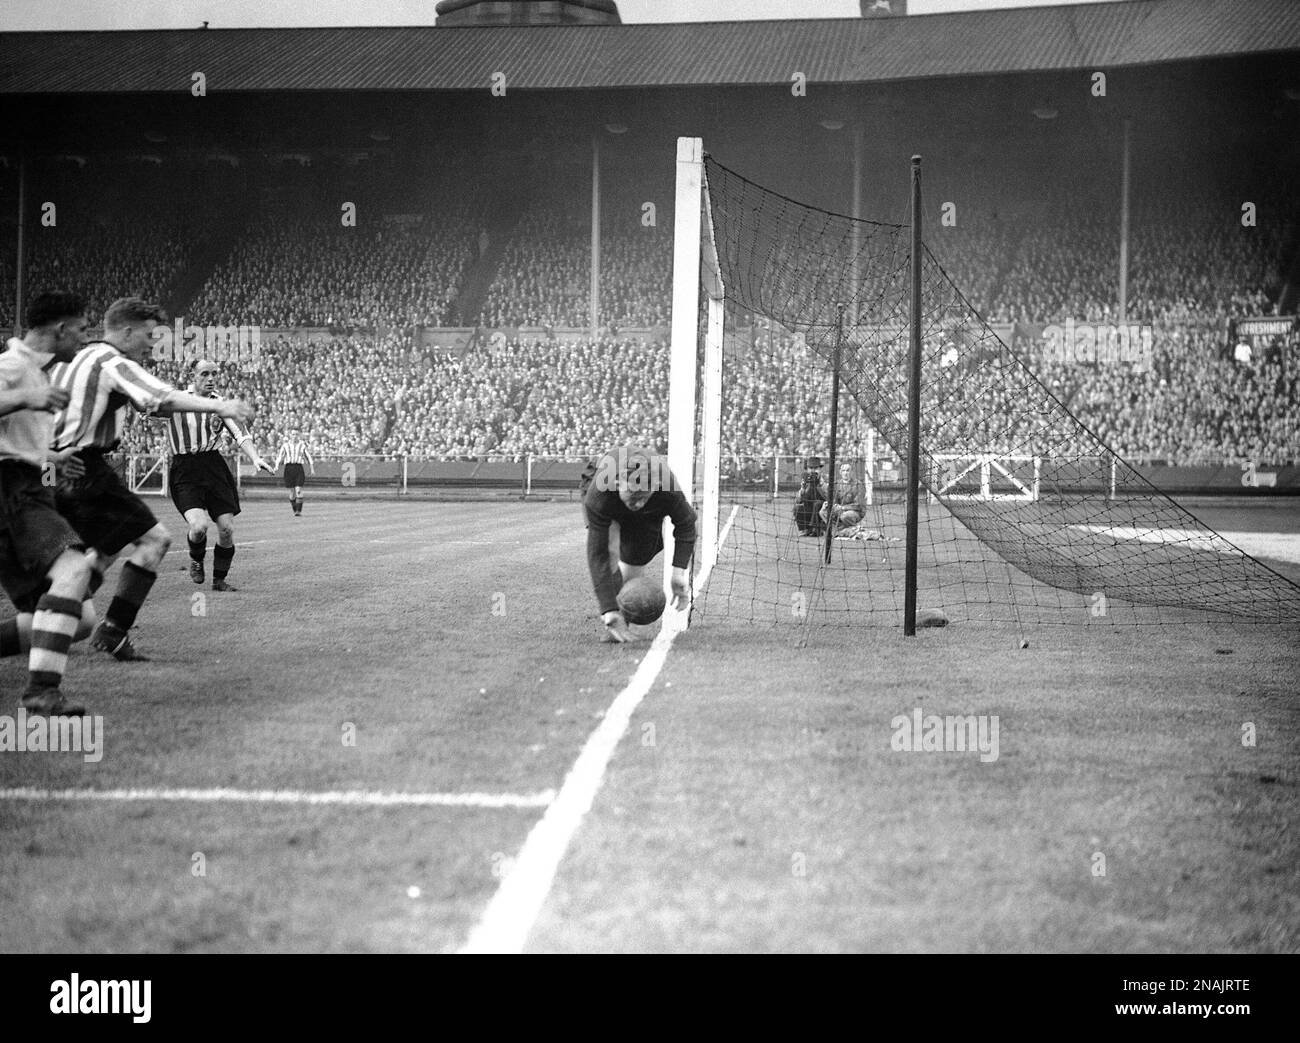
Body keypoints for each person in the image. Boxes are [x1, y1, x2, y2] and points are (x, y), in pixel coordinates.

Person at [50, 297, 255, 660]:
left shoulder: (75, 358)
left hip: (53, 467)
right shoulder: (112, 360)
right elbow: (160, 399)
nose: (151, 343)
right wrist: (220, 406)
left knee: (101, 554)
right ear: (126, 331)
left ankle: (56, 618)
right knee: (155, 541)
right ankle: (111, 630)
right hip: (83, 466)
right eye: (148, 335)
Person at [0, 291, 94, 714]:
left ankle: (41, 688)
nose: (84, 337)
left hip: (28, 485)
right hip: (10, 489)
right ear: (60, 328)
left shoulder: (39, 373)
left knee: (81, 621)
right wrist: (24, 398)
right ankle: (41, 691)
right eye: (81, 329)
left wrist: (53, 458)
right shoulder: (12, 366)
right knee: (74, 568)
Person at [163, 359, 275, 590]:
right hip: (185, 468)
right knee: (199, 526)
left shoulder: (220, 404)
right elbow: (141, 404)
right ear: (192, 376)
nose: (211, 378)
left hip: (213, 466)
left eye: (214, 374)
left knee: (226, 528)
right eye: (205, 374)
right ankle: (196, 560)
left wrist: (255, 457)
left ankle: (219, 580)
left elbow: (240, 434)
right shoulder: (176, 401)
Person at [583, 444, 695, 643]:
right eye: (632, 497)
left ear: (655, 487)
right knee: (609, 551)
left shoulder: (667, 488)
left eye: (642, 497)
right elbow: (597, 554)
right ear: (618, 484)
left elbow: (686, 525)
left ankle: (623, 617)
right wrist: (608, 609)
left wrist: (678, 574)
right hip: (605, 489)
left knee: (635, 560)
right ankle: (614, 618)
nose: (636, 504)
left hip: (649, 511)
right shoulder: (598, 495)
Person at [273, 429, 315, 516]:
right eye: (293, 434)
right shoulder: (285, 446)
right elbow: (280, 457)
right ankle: (295, 509)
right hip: (289, 468)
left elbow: (309, 457)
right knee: (292, 491)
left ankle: (298, 511)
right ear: (290, 435)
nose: (294, 436)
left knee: (298, 489)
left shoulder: (302, 445)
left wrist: (312, 469)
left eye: (296, 434)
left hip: (298, 467)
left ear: (298, 435)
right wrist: (276, 466)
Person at [820, 462, 866, 534]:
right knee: (823, 512)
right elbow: (834, 499)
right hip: (840, 509)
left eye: (848, 470)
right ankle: (839, 529)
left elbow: (858, 505)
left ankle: (854, 528)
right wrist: (828, 504)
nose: (845, 473)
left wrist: (842, 507)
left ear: (852, 472)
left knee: (845, 516)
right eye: (843, 471)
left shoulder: (858, 484)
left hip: (855, 511)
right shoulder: (836, 484)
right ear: (840, 472)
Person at [793, 456, 828, 536]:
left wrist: (821, 483)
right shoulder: (805, 478)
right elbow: (798, 500)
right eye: (810, 468)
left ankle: (817, 529)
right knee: (797, 507)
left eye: (815, 468)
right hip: (809, 506)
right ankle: (805, 529)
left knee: (817, 504)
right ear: (807, 469)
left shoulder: (825, 478)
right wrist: (803, 488)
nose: (813, 470)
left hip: (822, 506)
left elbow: (829, 496)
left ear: (820, 469)